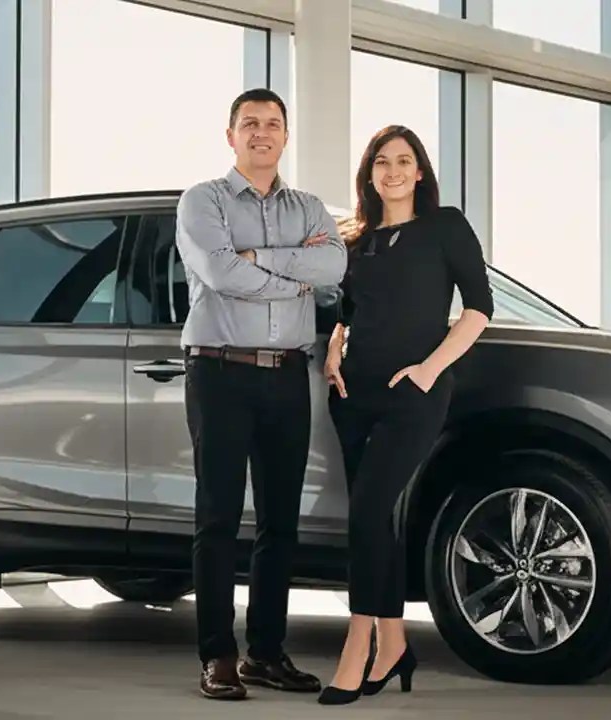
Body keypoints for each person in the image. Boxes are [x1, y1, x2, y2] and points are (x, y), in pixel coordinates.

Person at [174, 87, 348, 701]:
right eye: (249, 124)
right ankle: (217, 656)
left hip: (286, 375)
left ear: (285, 135)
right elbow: (220, 273)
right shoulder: (204, 200)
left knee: (281, 523)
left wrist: (263, 261)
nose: (261, 133)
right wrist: (292, 276)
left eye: (272, 123)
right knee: (218, 517)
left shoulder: (309, 208)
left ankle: (266, 654)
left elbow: (333, 270)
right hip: (219, 372)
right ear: (231, 136)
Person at [316, 125, 494, 706]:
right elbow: (347, 309)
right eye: (380, 162)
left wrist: (429, 369)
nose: (392, 171)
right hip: (352, 395)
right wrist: (334, 348)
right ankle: (393, 646)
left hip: (412, 395)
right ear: (369, 174)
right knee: (376, 520)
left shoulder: (445, 227)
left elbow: (478, 308)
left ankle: (358, 643)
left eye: (403, 161)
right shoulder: (355, 241)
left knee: (369, 512)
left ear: (420, 172)